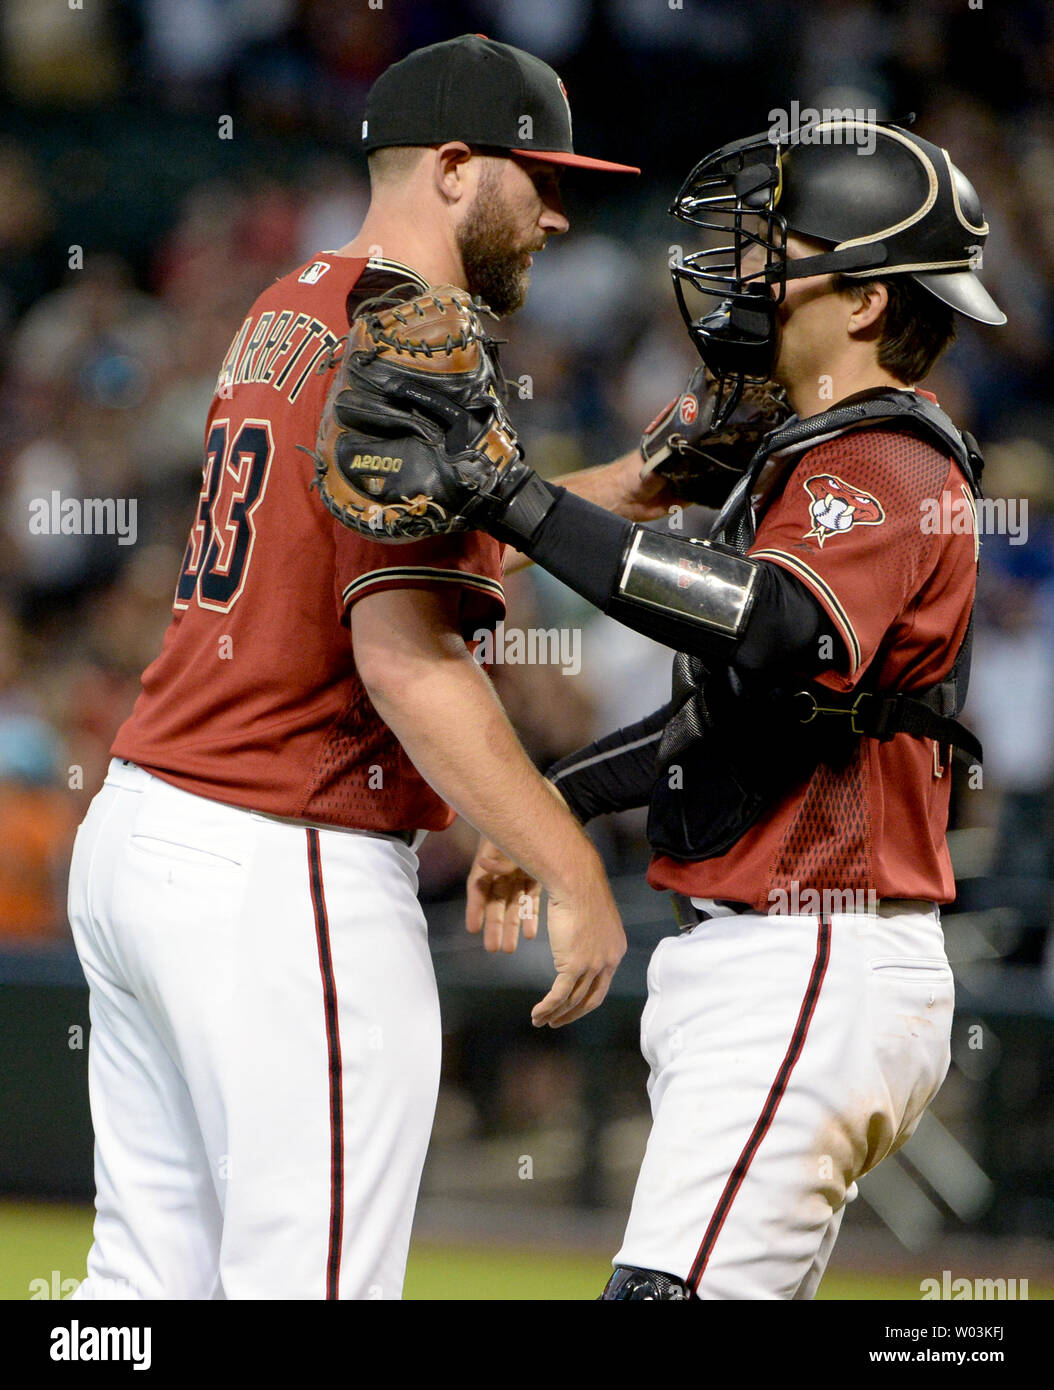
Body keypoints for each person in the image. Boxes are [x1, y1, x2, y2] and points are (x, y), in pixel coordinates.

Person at [65, 34, 663, 1302]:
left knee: (143, 1288)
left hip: (147, 832)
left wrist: (620, 494)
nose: (557, 213)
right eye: (533, 175)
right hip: (281, 861)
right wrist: (567, 863)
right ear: (454, 167)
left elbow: (376, 556)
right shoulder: (424, 333)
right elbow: (404, 657)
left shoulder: (295, 301)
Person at [439, 119, 1005, 1298]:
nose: (743, 270)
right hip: (786, 959)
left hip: (812, 955)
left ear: (861, 302)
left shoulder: (887, 459)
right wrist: (554, 803)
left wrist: (519, 499)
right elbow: (740, 715)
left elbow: (769, 624)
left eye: (780, 247)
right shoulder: (820, 457)